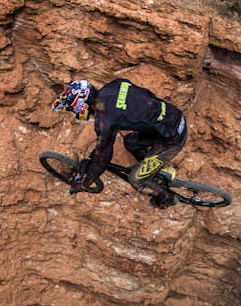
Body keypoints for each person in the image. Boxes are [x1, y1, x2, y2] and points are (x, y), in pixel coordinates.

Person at [52, 79, 188, 209]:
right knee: (130, 141)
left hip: (172, 139)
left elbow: (103, 156)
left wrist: (86, 183)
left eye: (74, 109)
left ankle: (166, 198)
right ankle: (154, 169)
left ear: (82, 105)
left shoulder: (105, 118)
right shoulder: (114, 86)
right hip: (174, 116)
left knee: (135, 179)